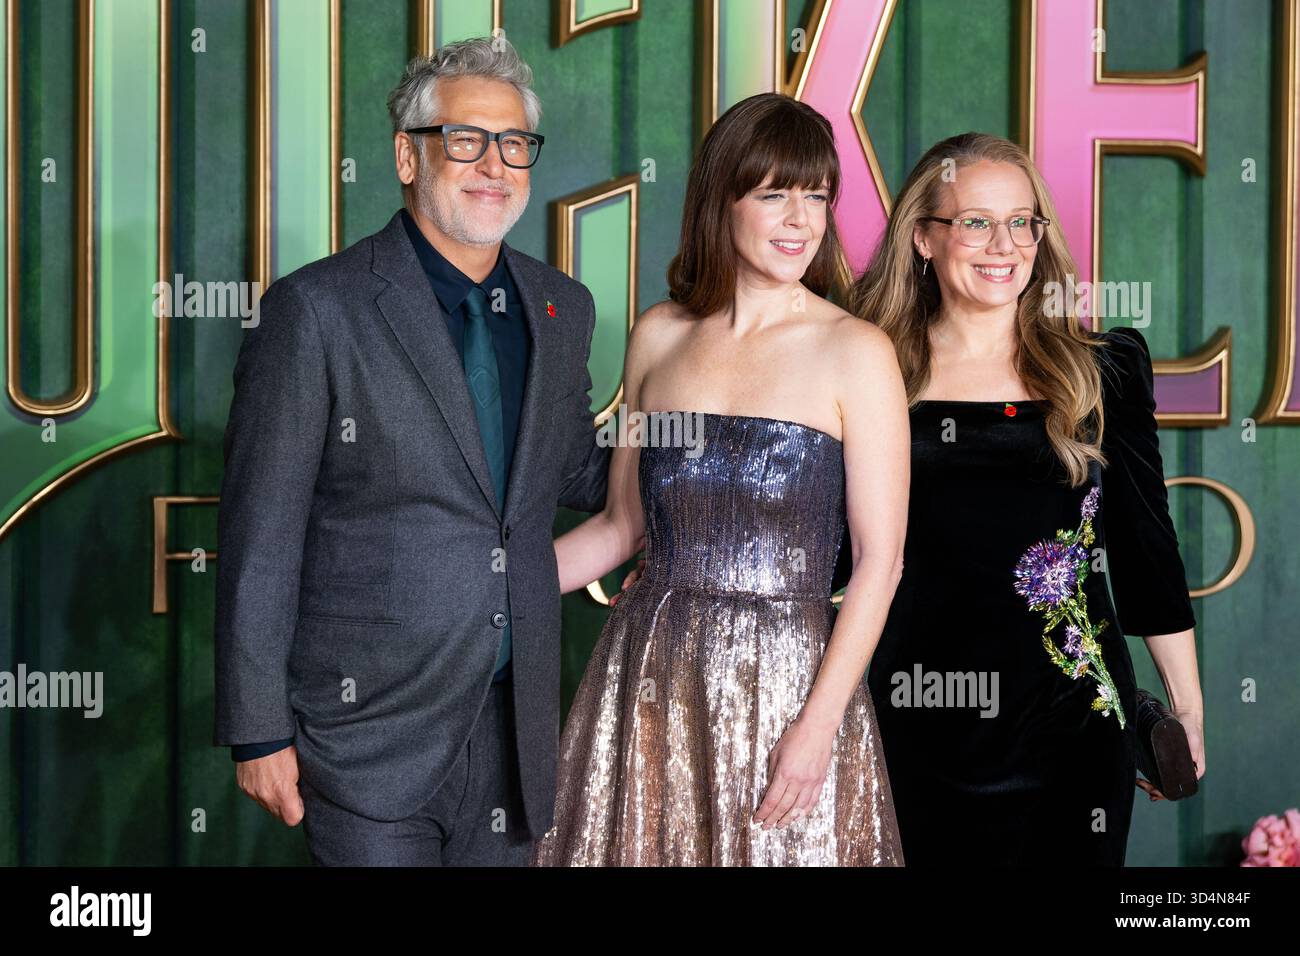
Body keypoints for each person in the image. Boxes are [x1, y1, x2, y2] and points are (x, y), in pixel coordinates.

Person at [213, 37, 611, 866]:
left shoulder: (559, 307)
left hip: (515, 734)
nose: (492, 165)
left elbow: (573, 470)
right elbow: (263, 534)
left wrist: (720, 449)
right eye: (464, 140)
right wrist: (256, 733)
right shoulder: (316, 311)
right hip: (366, 741)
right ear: (406, 154)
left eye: (512, 145)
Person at [530, 93, 909, 866]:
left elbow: (880, 561)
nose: (800, 220)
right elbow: (621, 528)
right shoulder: (659, 335)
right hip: (649, 678)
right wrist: (488, 584)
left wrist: (819, 725)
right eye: (774, 194)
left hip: (790, 687)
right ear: (720, 200)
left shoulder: (857, 351)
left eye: (817, 197)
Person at [846, 131, 1205, 865]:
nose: (1002, 243)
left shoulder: (1101, 370)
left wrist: (1187, 708)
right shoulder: (864, 364)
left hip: (1073, 731)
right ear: (923, 238)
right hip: (910, 722)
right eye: (974, 221)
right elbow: (826, 546)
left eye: (1022, 221)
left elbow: (1144, 550)